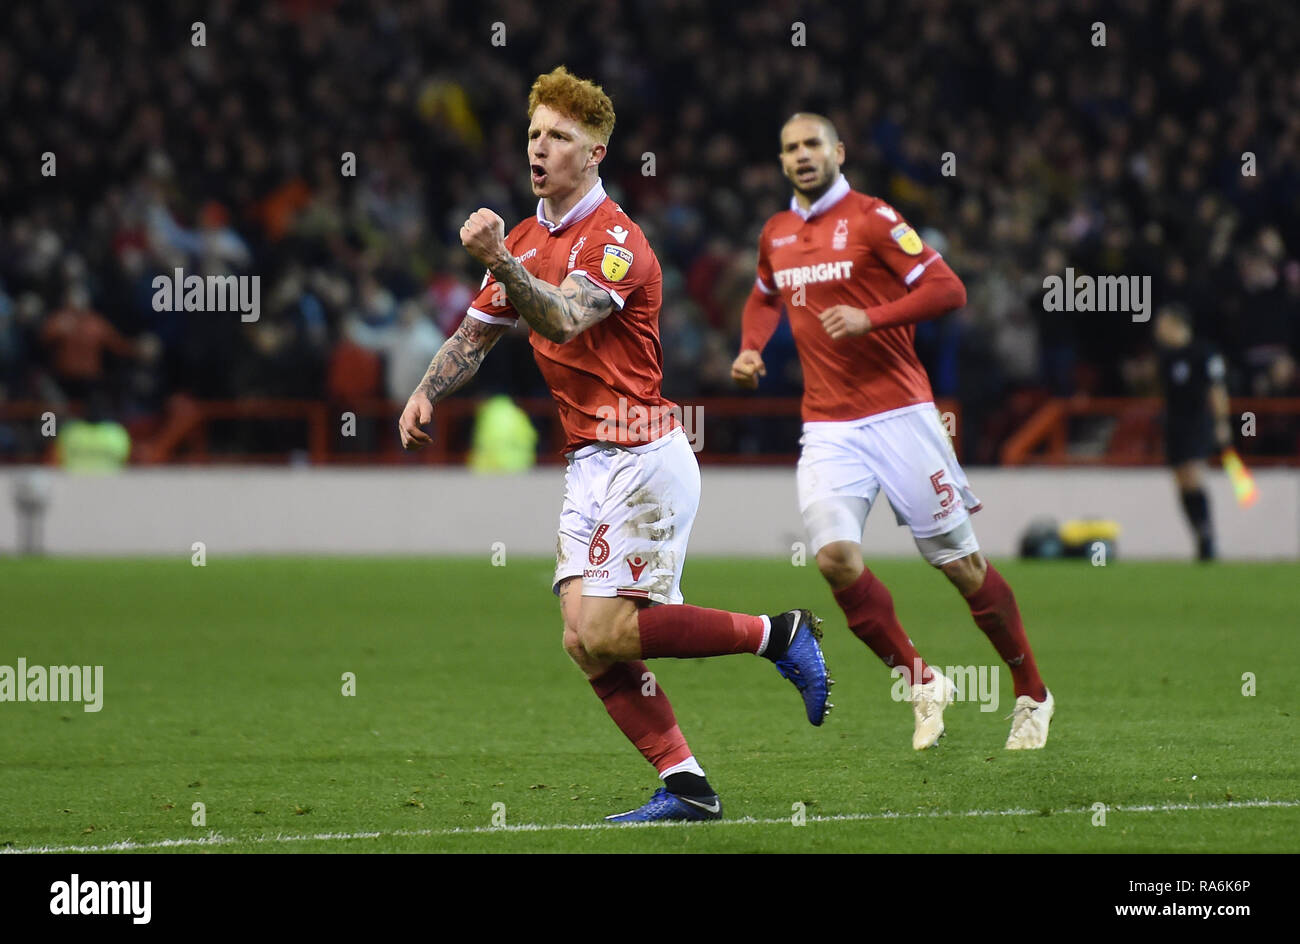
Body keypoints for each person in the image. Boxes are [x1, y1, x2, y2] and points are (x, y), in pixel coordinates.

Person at [398, 68, 830, 823]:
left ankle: (777, 633)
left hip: (643, 454)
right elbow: (476, 334)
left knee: (608, 628)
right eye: (534, 132)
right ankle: (687, 784)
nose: (540, 147)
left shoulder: (618, 243)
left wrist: (499, 259)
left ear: (594, 152)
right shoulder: (530, 238)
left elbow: (564, 319)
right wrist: (428, 389)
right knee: (583, 641)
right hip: (588, 463)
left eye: (559, 136)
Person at [731, 113, 1053, 750]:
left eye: (812, 145)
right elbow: (765, 295)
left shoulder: (875, 219)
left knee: (961, 566)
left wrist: (872, 317)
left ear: (838, 152)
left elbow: (948, 289)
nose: (801, 156)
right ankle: (923, 681)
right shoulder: (777, 233)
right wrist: (750, 349)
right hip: (828, 425)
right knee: (834, 558)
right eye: (790, 147)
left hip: (901, 416)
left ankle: (1032, 694)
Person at [1154, 304, 1231, 560]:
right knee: (1181, 481)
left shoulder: (1203, 352)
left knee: (1194, 474)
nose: (1158, 330)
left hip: (1198, 421)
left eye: (1162, 324)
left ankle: (1208, 535)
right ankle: (1199, 534)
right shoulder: (1166, 358)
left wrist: (1221, 422)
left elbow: (1216, 389)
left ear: (1177, 324)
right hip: (1175, 424)